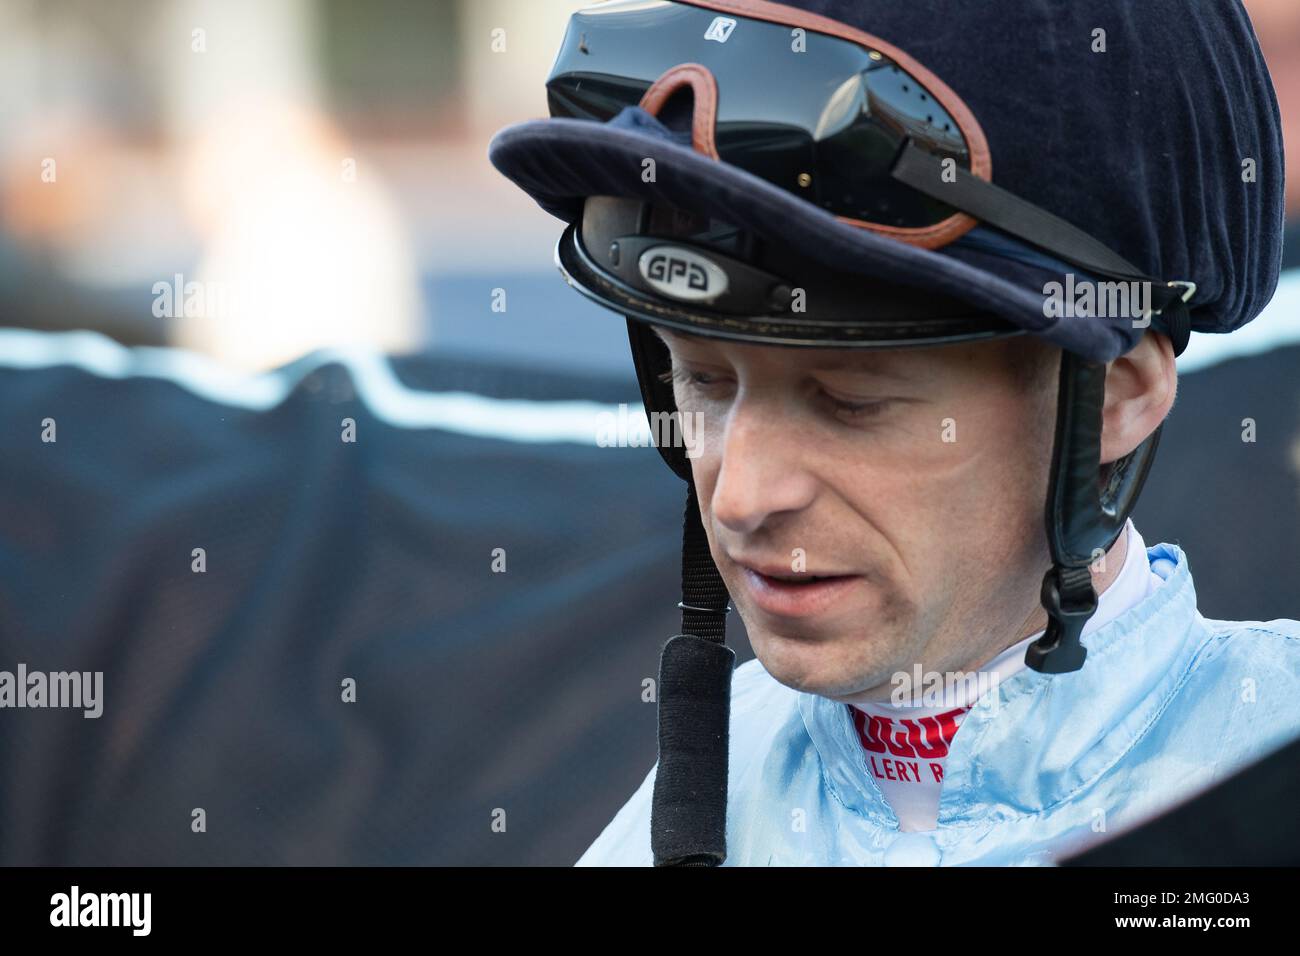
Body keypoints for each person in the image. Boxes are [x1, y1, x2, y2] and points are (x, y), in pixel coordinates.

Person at [489, 0, 1300, 866]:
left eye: (849, 402)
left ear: (1114, 398)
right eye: (705, 379)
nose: (741, 496)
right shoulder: (685, 809)